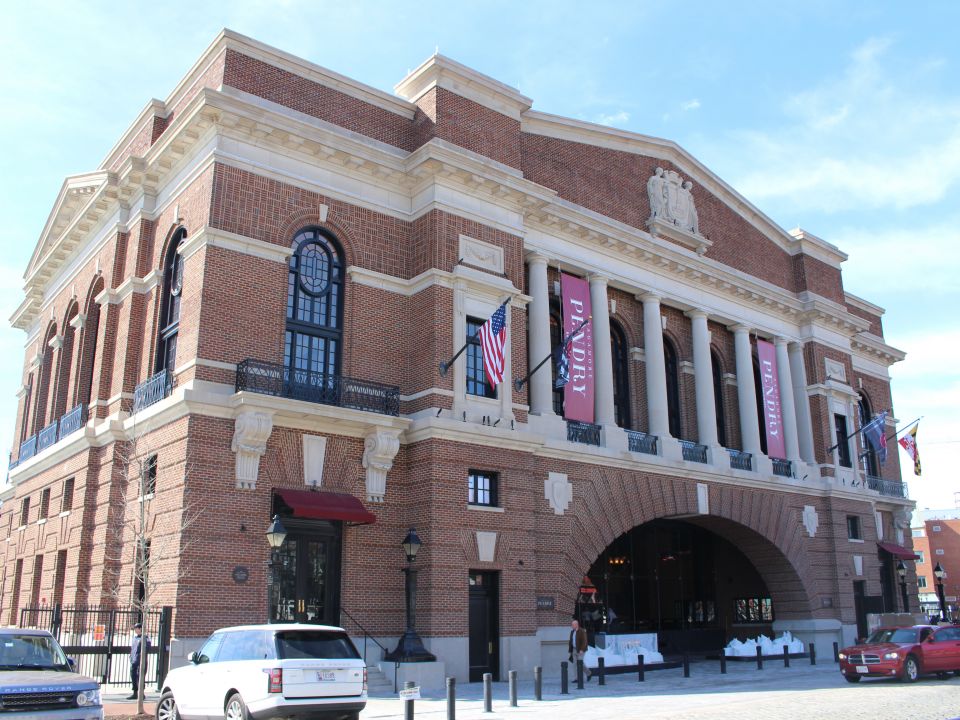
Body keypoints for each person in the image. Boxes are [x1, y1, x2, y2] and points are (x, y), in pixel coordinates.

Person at [128, 622, 150, 700]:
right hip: (133, 661)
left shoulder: (145, 638)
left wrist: (140, 658)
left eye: (136, 628)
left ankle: (141, 694)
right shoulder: (135, 638)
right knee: (133, 676)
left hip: (140, 661)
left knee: (140, 677)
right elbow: (133, 648)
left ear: (140, 629)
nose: (135, 630)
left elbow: (147, 649)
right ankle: (135, 693)